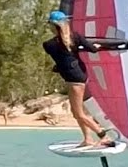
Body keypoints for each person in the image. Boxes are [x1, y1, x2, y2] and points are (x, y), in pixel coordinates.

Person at [41, 10, 117, 148]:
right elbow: (92, 50)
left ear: (52, 26)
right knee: (76, 112)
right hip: (81, 75)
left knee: (79, 114)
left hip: (74, 81)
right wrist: (97, 46)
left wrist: (58, 67)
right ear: (66, 23)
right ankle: (87, 138)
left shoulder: (48, 45)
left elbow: (61, 58)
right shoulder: (76, 37)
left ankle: (104, 136)